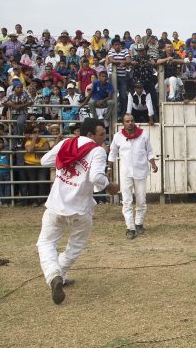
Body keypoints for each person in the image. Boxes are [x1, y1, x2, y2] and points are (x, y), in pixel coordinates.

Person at [36, 118, 119, 305]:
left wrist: (64, 161)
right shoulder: (97, 151)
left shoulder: (67, 143)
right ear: (89, 134)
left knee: (46, 243)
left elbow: (44, 161)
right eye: (101, 135)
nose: (104, 138)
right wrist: (110, 185)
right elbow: (96, 177)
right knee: (75, 246)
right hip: (80, 208)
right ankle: (59, 275)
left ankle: (55, 276)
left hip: (56, 204)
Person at [108, 114, 158, 239]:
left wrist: (153, 164)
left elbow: (149, 151)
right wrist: (109, 168)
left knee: (141, 200)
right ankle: (130, 228)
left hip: (141, 171)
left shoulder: (143, 135)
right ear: (123, 123)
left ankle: (139, 223)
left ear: (134, 122)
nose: (130, 123)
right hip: (125, 173)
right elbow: (112, 153)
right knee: (127, 201)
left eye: (131, 120)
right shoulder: (118, 137)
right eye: (127, 121)